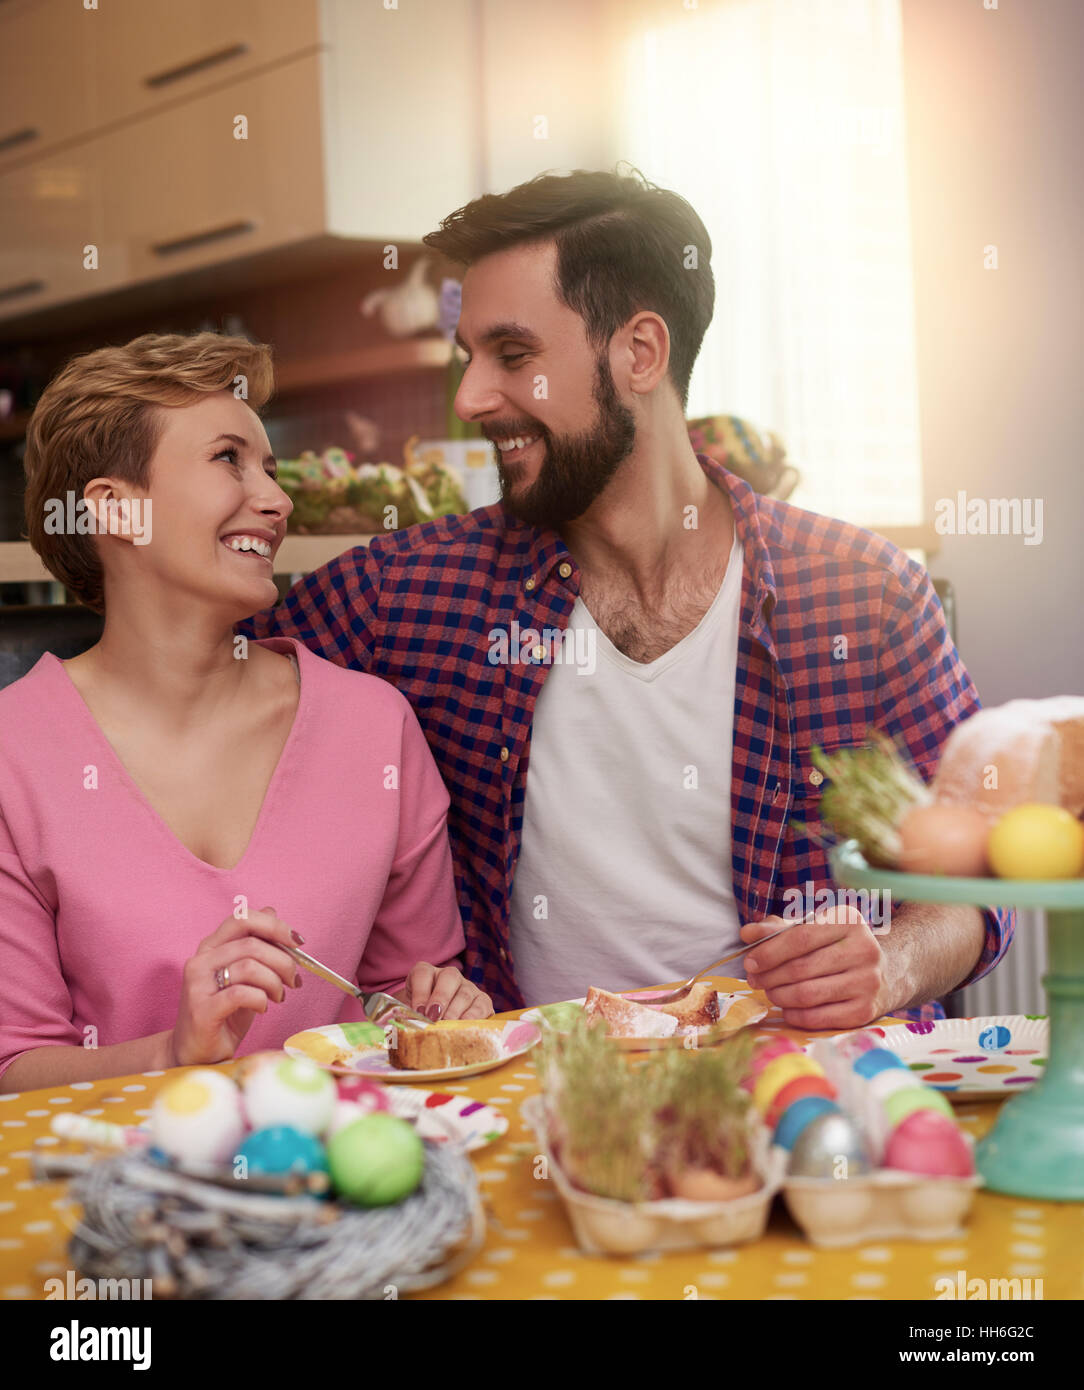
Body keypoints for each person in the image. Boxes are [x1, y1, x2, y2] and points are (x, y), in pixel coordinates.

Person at [240, 166, 1014, 1029]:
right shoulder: (408, 593)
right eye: (471, 359)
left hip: (808, 1104)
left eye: (515, 354)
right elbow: (199, 681)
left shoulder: (865, 597)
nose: (470, 398)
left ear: (639, 353)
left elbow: (980, 887)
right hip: (539, 1115)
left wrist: (893, 965)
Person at [0, 332, 491, 1094]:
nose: (277, 498)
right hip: (111, 1192)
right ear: (115, 511)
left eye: (268, 466)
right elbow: (12, 1069)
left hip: (349, 1187)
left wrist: (436, 1007)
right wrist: (171, 1054)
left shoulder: (374, 726)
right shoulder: (13, 754)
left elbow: (401, 999)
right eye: (228, 458)